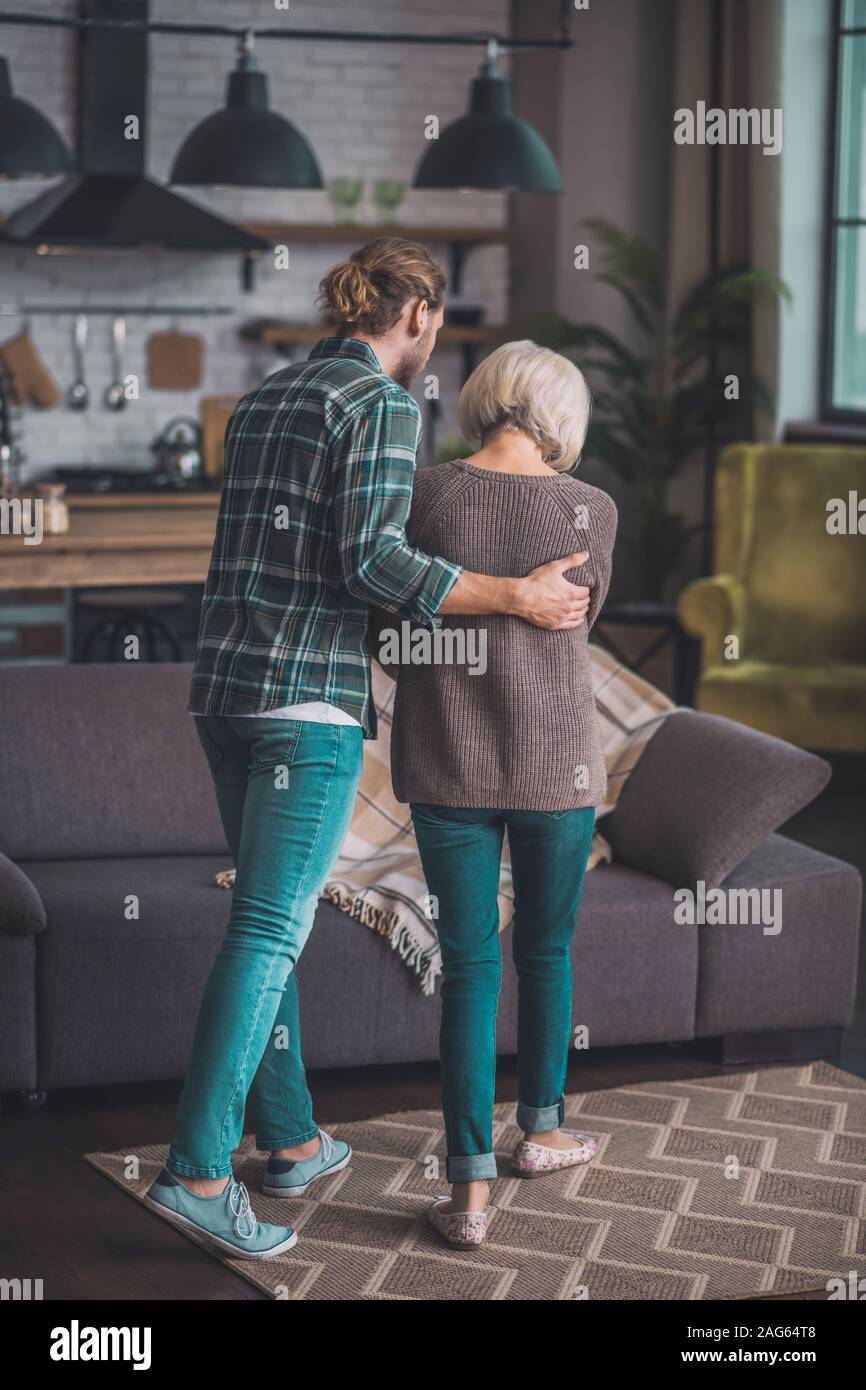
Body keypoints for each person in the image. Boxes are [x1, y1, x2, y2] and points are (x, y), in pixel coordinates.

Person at [144, 241, 593, 1260]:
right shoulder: (383, 405)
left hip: (223, 692)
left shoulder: (262, 397)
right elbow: (371, 561)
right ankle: (199, 1170)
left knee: (270, 924)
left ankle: (294, 1140)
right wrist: (514, 594)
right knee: (266, 933)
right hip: (307, 702)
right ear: (420, 314)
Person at [375, 339, 617, 1249]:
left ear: (485, 398)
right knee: (546, 954)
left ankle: (468, 1194)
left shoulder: (424, 496)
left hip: (448, 767)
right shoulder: (591, 509)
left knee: (470, 971)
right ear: (562, 414)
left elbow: (391, 616)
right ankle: (543, 1131)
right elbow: (577, 619)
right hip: (558, 772)